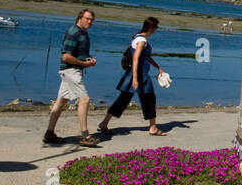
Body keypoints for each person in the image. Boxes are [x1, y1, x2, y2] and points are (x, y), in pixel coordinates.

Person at [96, 17, 166, 138]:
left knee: (123, 100)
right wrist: (135, 78)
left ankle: (104, 123)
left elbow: (146, 56)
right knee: (148, 99)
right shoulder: (142, 40)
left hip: (133, 74)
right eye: (155, 27)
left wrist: (157, 66)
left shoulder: (138, 37)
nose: (156, 30)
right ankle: (153, 127)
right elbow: (136, 58)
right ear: (150, 27)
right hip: (139, 75)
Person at [43, 8, 99, 146]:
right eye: (87, 18)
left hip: (73, 70)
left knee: (61, 102)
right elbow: (66, 56)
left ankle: (49, 133)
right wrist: (84, 64)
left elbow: (78, 53)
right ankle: (85, 135)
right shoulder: (73, 32)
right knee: (84, 100)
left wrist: (89, 59)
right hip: (71, 71)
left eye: (92, 19)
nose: (90, 22)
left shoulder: (83, 34)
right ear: (80, 18)